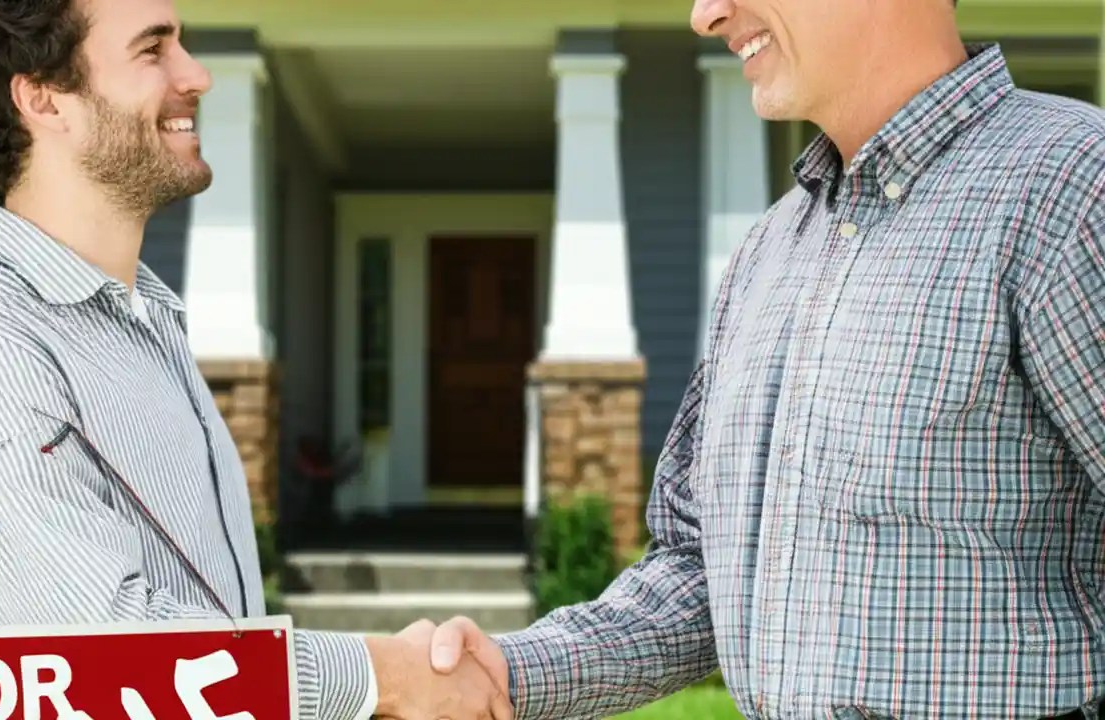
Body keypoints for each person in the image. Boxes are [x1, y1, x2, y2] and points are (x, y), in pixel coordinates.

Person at [426, 0, 1105, 718]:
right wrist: (504, 671)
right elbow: (701, 572)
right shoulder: (768, 252)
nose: (705, 14)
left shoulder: (1071, 188)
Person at [0, 0, 509, 719]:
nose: (196, 74)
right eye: (152, 49)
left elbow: (204, 638)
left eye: (183, 44)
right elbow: (105, 659)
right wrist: (379, 675)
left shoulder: (145, 324)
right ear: (43, 96)